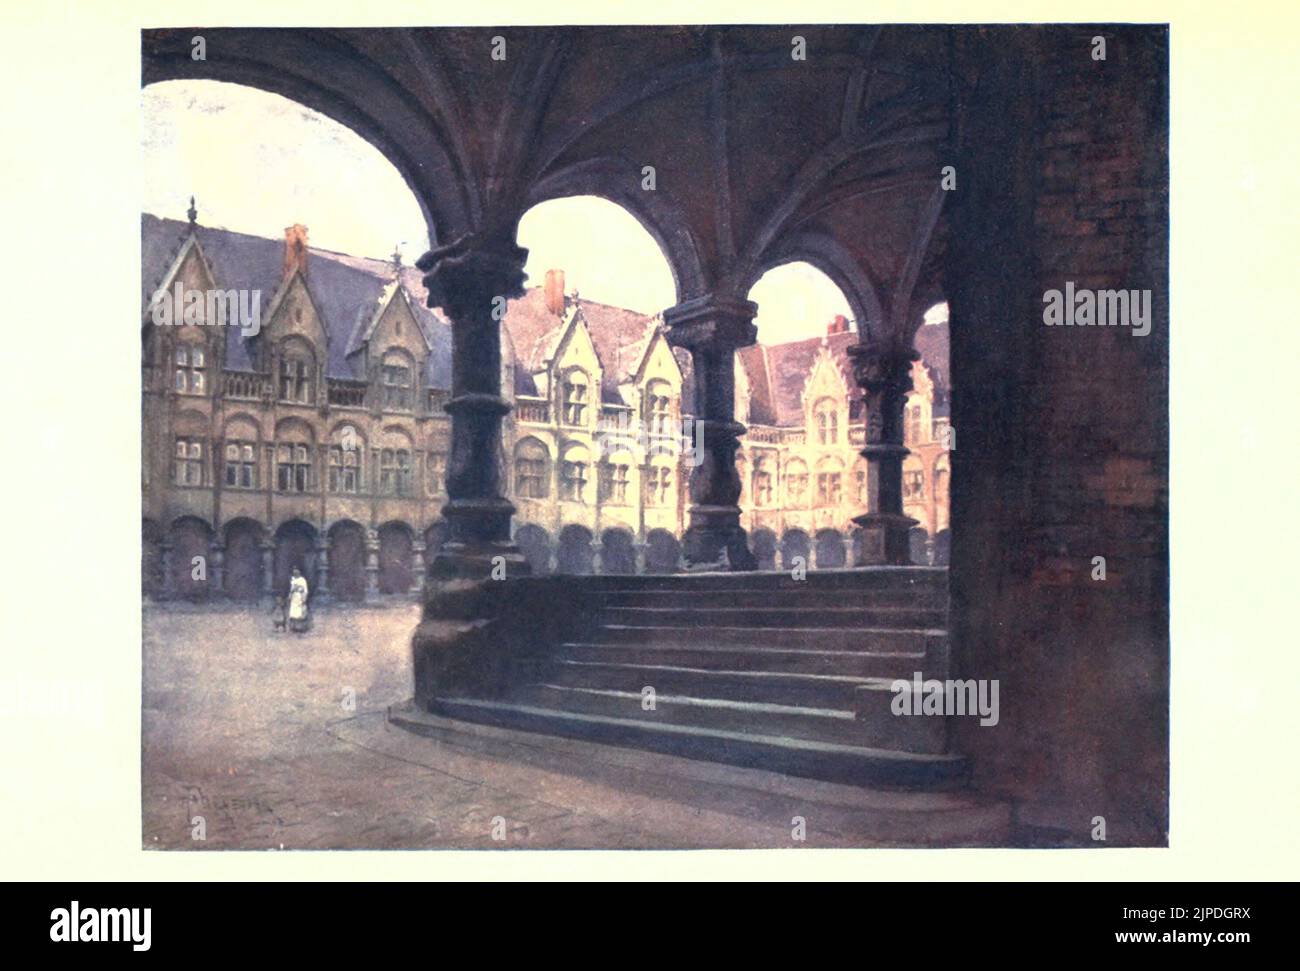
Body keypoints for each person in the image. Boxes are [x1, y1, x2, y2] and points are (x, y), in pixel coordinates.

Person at [288, 567, 310, 634]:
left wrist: (304, 598)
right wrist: (290, 595)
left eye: (297, 570)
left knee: (300, 613)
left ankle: (300, 628)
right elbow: (291, 589)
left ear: (299, 571)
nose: (295, 572)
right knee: (293, 612)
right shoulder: (292, 579)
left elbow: (305, 590)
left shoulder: (302, 580)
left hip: (300, 597)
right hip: (294, 597)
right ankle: (293, 627)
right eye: (294, 570)